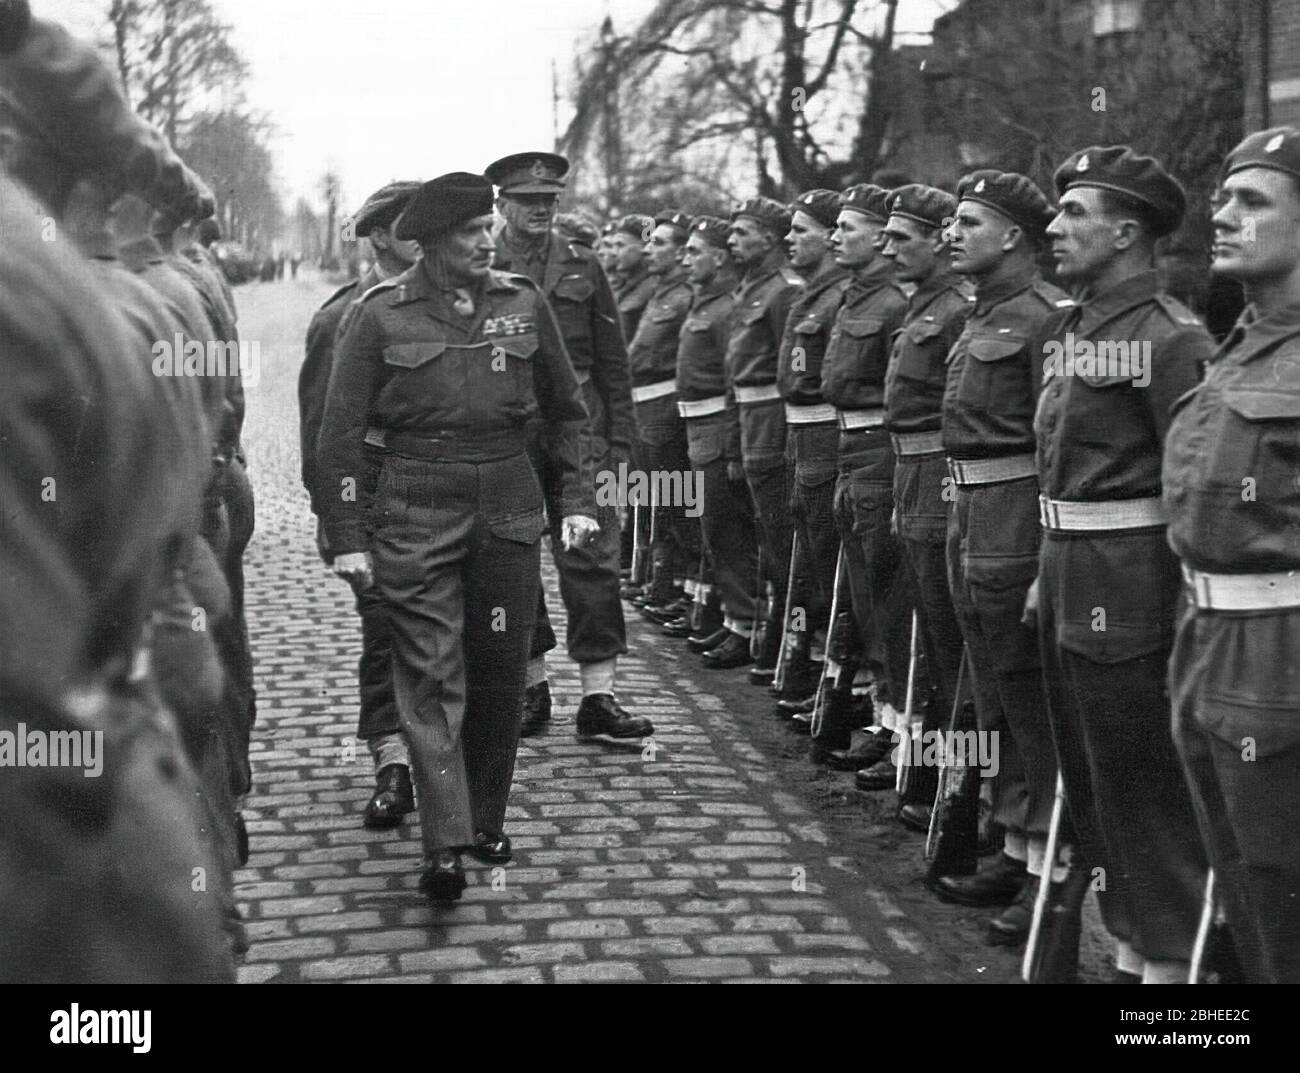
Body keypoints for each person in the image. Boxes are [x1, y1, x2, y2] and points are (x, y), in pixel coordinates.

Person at [318, 172, 596, 902]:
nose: (488, 241)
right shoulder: (380, 314)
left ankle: (483, 817)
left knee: (500, 670)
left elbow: (568, 411)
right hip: (415, 502)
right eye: (473, 232)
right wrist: (346, 533)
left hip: (506, 499)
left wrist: (577, 497)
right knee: (430, 670)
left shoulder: (522, 302)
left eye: (487, 230)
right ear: (435, 242)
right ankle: (444, 843)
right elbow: (340, 433)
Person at [1031, 145, 1212, 983]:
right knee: (1095, 779)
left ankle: (1177, 979)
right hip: (1071, 572)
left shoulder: (1168, 338)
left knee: (1146, 788)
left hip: (1133, 586)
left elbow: (1193, 489)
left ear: (1128, 232)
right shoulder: (1075, 325)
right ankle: (1135, 951)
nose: (1053, 225)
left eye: (1075, 213)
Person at [1165, 126, 1300, 983]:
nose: (1222, 216)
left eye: (1252, 202)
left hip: (1281, 657)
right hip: (1206, 639)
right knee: (1245, 901)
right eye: (1221, 197)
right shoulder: (1236, 347)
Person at [931, 171, 1072, 946]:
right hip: (969, 509)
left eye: (970, 222)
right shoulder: (979, 311)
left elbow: (1057, 445)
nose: (954, 233)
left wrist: (1049, 551)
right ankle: (1015, 846)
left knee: (1031, 697)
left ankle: (1048, 868)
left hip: (1018, 513)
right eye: (951, 220)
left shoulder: (1047, 319)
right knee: (995, 692)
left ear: (1015, 235)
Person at [487, 151, 650, 745]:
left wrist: (623, 449)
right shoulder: (483, 266)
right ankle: (531, 687)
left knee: (594, 561)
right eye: (528, 202)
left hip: (584, 435)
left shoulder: (584, 266)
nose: (541, 212)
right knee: (514, 562)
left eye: (549, 202)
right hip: (509, 435)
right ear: (502, 205)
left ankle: (598, 697)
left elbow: (614, 364)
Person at [300, 180, 421, 828]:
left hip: (448, 492)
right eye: (412, 223)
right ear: (379, 236)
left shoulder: (456, 308)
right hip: (373, 488)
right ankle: (392, 762)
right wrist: (336, 520)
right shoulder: (343, 316)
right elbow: (322, 430)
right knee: (387, 627)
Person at [880, 184, 972, 827]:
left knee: (952, 646)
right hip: (910, 470)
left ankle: (964, 786)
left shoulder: (959, 310)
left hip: (946, 476)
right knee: (927, 633)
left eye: (900, 238)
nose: (891, 249)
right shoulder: (923, 308)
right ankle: (933, 765)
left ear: (938, 239)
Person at [819, 183, 910, 781]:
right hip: (848, 445)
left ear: (880, 238)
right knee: (862, 593)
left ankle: (900, 726)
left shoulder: (897, 302)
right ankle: (880, 712)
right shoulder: (854, 298)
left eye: (847, 228)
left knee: (889, 595)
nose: (834, 236)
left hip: (881, 449)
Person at [775, 189, 853, 724]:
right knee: (815, 570)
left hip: (831, 441)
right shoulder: (813, 295)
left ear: (829, 235)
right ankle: (826, 678)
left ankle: (850, 688)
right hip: (802, 442)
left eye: (802, 230)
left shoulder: (840, 296)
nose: (790, 238)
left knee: (835, 573)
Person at [723, 197, 801, 684]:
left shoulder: (783, 293)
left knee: (778, 538)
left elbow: (786, 370)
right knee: (762, 531)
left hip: (772, 419)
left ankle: (783, 644)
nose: (732, 240)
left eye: (742, 232)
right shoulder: (748, 288)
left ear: (771, 238)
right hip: (747, 415)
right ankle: (766, 638)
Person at [675, 216, 759, 656]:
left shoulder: (727, 308)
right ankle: (731, 618)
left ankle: (744, 625)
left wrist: (731, 444)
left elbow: (732, 380)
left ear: (720, 258)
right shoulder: (705, 301)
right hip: (696, 427)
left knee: (727, 531)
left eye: (694, 252)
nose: (684, 259)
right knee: (713, 530)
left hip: (715, 426)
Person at [628, 210, 698, 619]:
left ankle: (679, 588)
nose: (648, 249)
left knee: (675, 503)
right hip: (644, 404)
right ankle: (661, 580)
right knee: (653, 500)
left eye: (659, 243)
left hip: (666, 406)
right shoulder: (662, 291)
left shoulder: (686, 295)